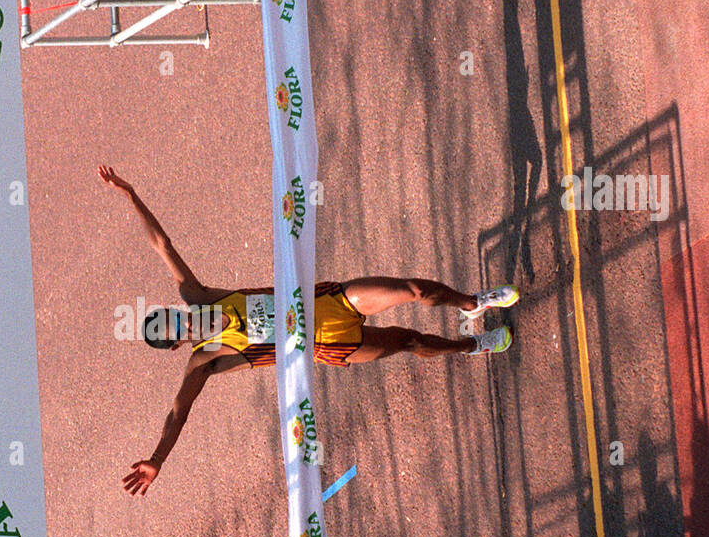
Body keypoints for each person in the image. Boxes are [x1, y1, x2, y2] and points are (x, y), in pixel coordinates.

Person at [97, 166, 520, 496]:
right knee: (409, 341)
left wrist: (131, 195)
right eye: (176, 330)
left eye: (174, 315)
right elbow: (177, 413)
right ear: (177, 344)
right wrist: (157, 459)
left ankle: (471, 303)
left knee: (411, 290)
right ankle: (470, 345)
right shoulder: (204, 361)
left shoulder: (200, 294)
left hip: (329, 301)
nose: (182, 322)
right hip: (332, 345)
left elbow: (162, 246)